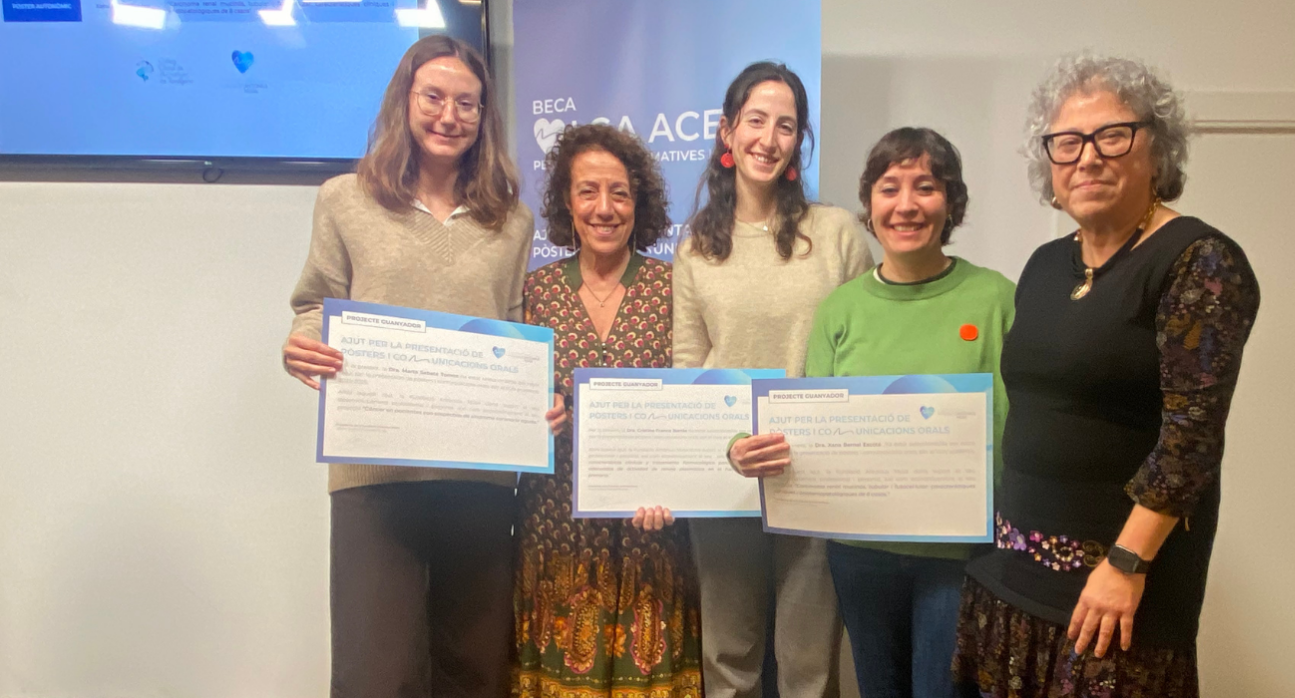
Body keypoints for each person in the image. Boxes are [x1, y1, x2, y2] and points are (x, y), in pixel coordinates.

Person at [951, 53, 1261, 697]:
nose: (1087, 158)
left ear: (1158, 152)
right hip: (1013, 573)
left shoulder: (1199, 261)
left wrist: (1126, 562)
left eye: (1112, 136)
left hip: (1115, 590)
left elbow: (1191, 439)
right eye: (1067, 143)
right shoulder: (1044, 265)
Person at [281, 36, 532, 698]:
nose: (450, 115)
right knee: (376, 673)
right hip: (375, 475)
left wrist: (538, 397)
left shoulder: (510, 221)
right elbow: (315, 303)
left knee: (473, 671)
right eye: (435, 97)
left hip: (478, 477)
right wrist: (301, 341)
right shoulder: (345, 199)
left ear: (484, 118)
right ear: (404, 101)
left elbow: (517, 329)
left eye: (468, 103)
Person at [674, 61, 874, 698]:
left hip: (814, 477)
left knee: (808, 667)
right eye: (755, 120)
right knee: (729, 661)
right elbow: (689, 366)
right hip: (727, 475)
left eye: (785, 125)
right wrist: (731, 444)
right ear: (728, 132)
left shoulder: (837, 233)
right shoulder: (696, 246)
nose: (768, 137)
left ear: (799, 141)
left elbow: (860, 356)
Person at [804, 127, 1012, 698]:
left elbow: (1017, 424)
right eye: (889, 188)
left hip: (958, 554)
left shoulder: (994, 298)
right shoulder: (840, 308)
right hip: (859, 553)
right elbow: (815, 426)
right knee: (879, 689)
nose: (906, 205)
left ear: (951, 203)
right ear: (869, 205)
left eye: (926, 187)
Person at [511, 123, 703, 697]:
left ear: (638, 203)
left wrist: (679, 483)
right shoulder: (533, 292)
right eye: (588, 191)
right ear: (565, 201)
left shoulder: (675, 289)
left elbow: (694, 402)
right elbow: (508, 405)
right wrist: (532, 415)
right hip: (555, 531)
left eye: (619, 192)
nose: (604, 208)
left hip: (653, 535)